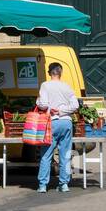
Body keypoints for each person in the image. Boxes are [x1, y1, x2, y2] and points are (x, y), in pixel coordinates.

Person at [36, 62, 79, 194]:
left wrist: (41, 103)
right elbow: (75, 105)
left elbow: (42, 104)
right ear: (60, 73)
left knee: (46, 154)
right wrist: (61, 111)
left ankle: (43, 185)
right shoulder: (67, 87)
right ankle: (64, 184)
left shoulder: (45, 85)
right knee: (65, 155)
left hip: (51, 123)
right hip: (66, 122)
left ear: (50, 73)